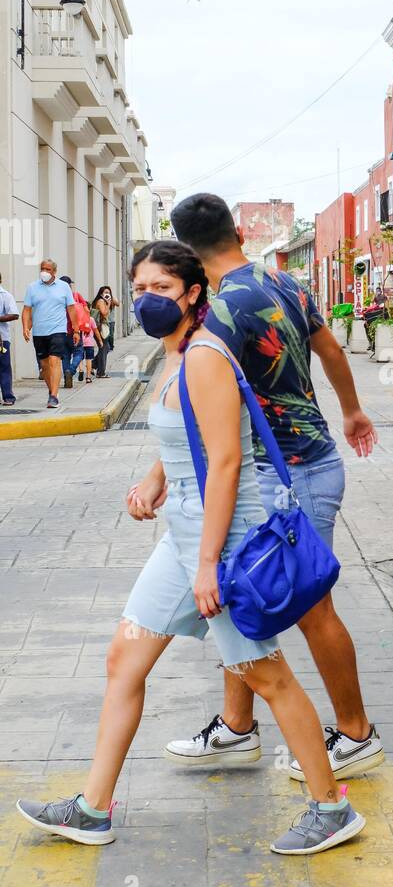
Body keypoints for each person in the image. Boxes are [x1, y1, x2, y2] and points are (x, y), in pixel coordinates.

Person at [17, 240, 365, 854]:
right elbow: (194, 437)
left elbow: (228, 461)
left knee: (264, 675)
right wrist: (155, 480)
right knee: (124, 659)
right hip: (182, 527)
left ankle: (331, 807)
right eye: (141, 288)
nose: (148, 299)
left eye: (162, 290)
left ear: (194, 293)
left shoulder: (204, 355)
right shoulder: (175, 354)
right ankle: (92, 809)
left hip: (221, 535)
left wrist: (209, 564)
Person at [160, 193, 383, 782]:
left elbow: (196, 399)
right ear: (237, 229)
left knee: (311, 608)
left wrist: (161, 473)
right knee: (242, 596)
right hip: (306, 460)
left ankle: (357, 734)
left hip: (288, 472)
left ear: (185, 250)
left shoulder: (220, 312)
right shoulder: (281, 282)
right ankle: (236, 729)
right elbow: (330, 347)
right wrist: (353, 410)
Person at [21, 260, 78, 409]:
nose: (44, 272)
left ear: (54, 272)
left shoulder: (64, 287)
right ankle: (52, 390)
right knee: (44, 365)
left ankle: (53, 396)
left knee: (54, 361)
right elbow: (27, 309)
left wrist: (76, 330)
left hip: (58, 330)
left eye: (47, 269)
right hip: (39, 332)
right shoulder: (32, 287)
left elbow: (72, 309)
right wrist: (25, 327)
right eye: (42, 269)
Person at [60, 276, 89, 388]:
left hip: (61, 331)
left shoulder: (58, 298)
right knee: (78, 352)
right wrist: (86, 327)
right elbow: (86, 311)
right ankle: (71, 371)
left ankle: (67, 375)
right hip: (75, 330)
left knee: (65, 355)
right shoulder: (76, 296)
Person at [0, 272, 20, 405]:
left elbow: (15, 314)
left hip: (2, 339)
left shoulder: (5, 296)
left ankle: (8, 397)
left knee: (4, 367)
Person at [91, 289, 111, 377]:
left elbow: (118, 302)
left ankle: (93, 364)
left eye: (109, 293)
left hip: (99, 327)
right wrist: (108, 304)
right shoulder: (101, 301)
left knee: (106, 347)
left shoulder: (103, 301)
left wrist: (109, 300)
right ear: (101, 294)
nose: (107, 294)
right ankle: (101, 372)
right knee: (103, 347)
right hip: (100, 327)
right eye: (105, 292)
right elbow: (104, 313)